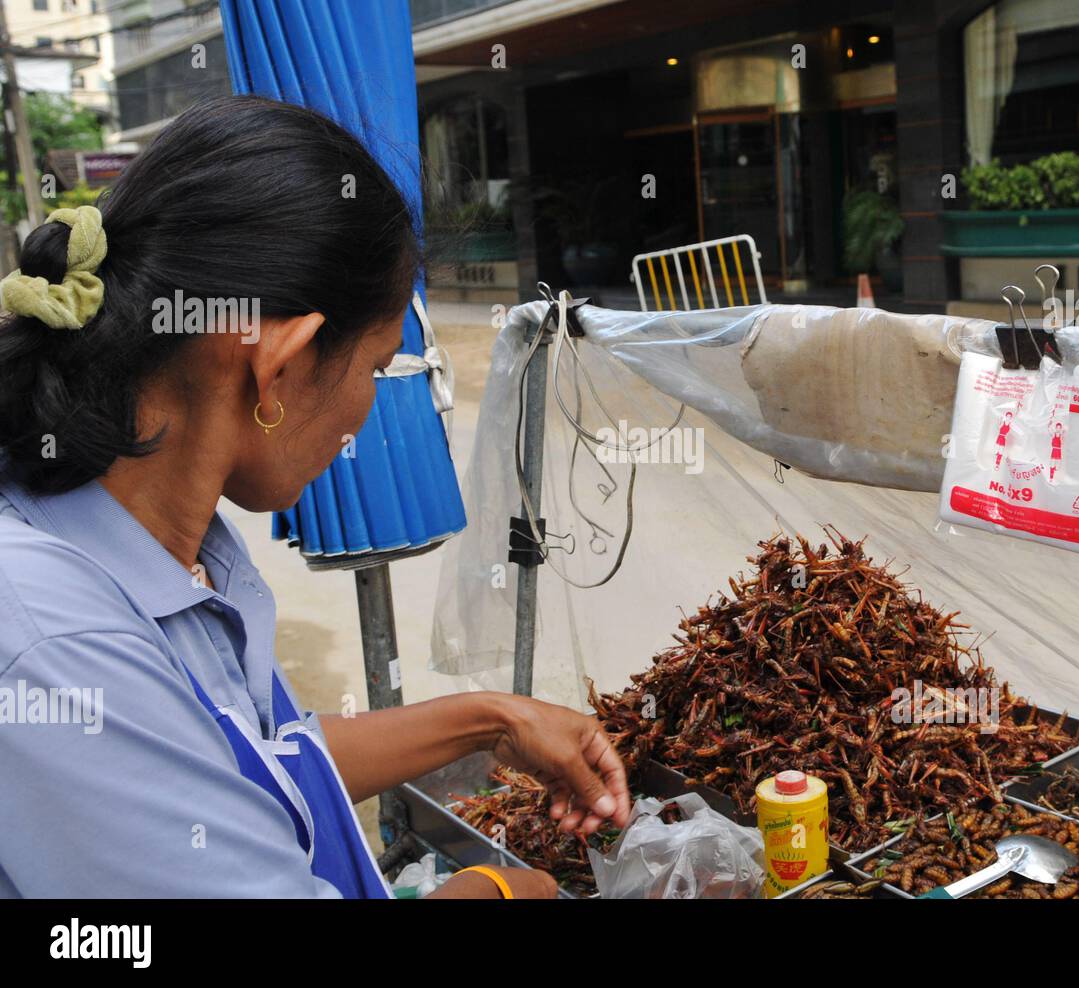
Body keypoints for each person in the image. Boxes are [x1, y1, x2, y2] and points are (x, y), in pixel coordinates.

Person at [0, 95, 630, 898]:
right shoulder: (55, 644)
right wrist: (503, 891)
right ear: (281, 367)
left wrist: (494, 720)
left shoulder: (163, 546)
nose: (366, 403)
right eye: (372, 367)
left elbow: (256, 763)